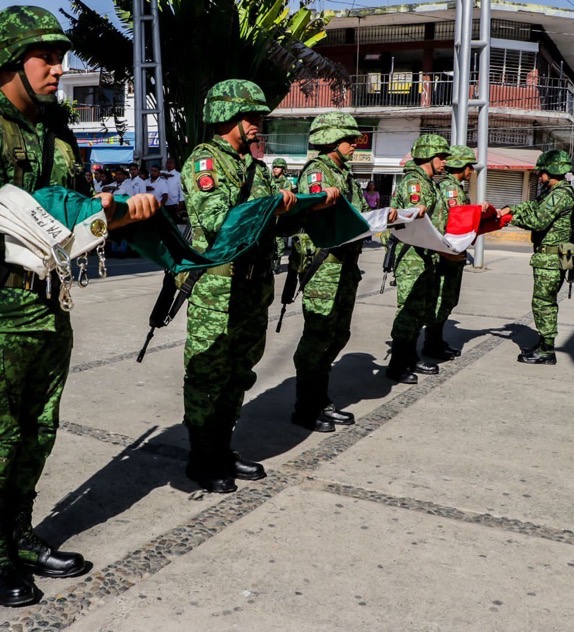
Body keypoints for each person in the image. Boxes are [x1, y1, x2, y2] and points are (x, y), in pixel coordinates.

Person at [0, 6, 158, 607]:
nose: (61, 69)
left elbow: (82, 202)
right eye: (48, 58)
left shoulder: (57, 129)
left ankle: (21, 534)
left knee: (39, 429)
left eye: (61, 58)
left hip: (48, 305)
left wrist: (111, 209)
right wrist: (89, 214)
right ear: (11, 61)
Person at [181, 79, 301, 494]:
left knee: (237, 374)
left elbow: (274, 221)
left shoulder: (255, 166)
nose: (257, 123)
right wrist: (272, 205)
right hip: (218, 291)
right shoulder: (205, 162)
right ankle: (201, 458)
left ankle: (222, 449)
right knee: (208, 377)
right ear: (225, 116)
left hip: (252, 289)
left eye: (259, 116)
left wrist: (297, 206)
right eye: (250, 116)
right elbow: (218, 219)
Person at [290, 112, 369, 433]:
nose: (354, 144)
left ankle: (319, 398)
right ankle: (305, 407)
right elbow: (317, 212)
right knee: (318, 337)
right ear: (331, 140)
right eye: (349, 139)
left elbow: (360, 212)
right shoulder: (317, 172)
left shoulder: (343, 173)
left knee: (338, 334)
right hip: (324, 265)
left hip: (346, 264)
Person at [385, 134, 451, 384]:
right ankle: (397, 364)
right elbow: (416, 214)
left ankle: (410, 357)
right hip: (412, 255)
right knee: (409, 312)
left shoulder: (430, 182)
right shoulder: (415, 183)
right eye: (440, 157)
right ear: (427, 157)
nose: (444, 162)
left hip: (426, 255)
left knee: (420, 310)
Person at [500, 149, 574, 364]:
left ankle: (546, 350)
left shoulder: (560, 195)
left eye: (541, 173)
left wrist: (510, 217)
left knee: (544, 303)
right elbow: (533, 206)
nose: (539, 177)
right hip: (558, 255)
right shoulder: (555, 193)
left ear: (550, 171)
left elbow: (537, 221)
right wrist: (513, 208)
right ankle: (545, 343)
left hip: (552, 258)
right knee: (545, 301)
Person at [425, 145, 483, 360]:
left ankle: (436, 341)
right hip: (447, 254)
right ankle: (432, 344)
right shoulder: (451, 189)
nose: (471, 171)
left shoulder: (453, 187)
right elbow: (454, 222)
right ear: (461, 166)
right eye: (469, 167)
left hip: (451, 253)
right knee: (442, 299)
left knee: (446, 300)